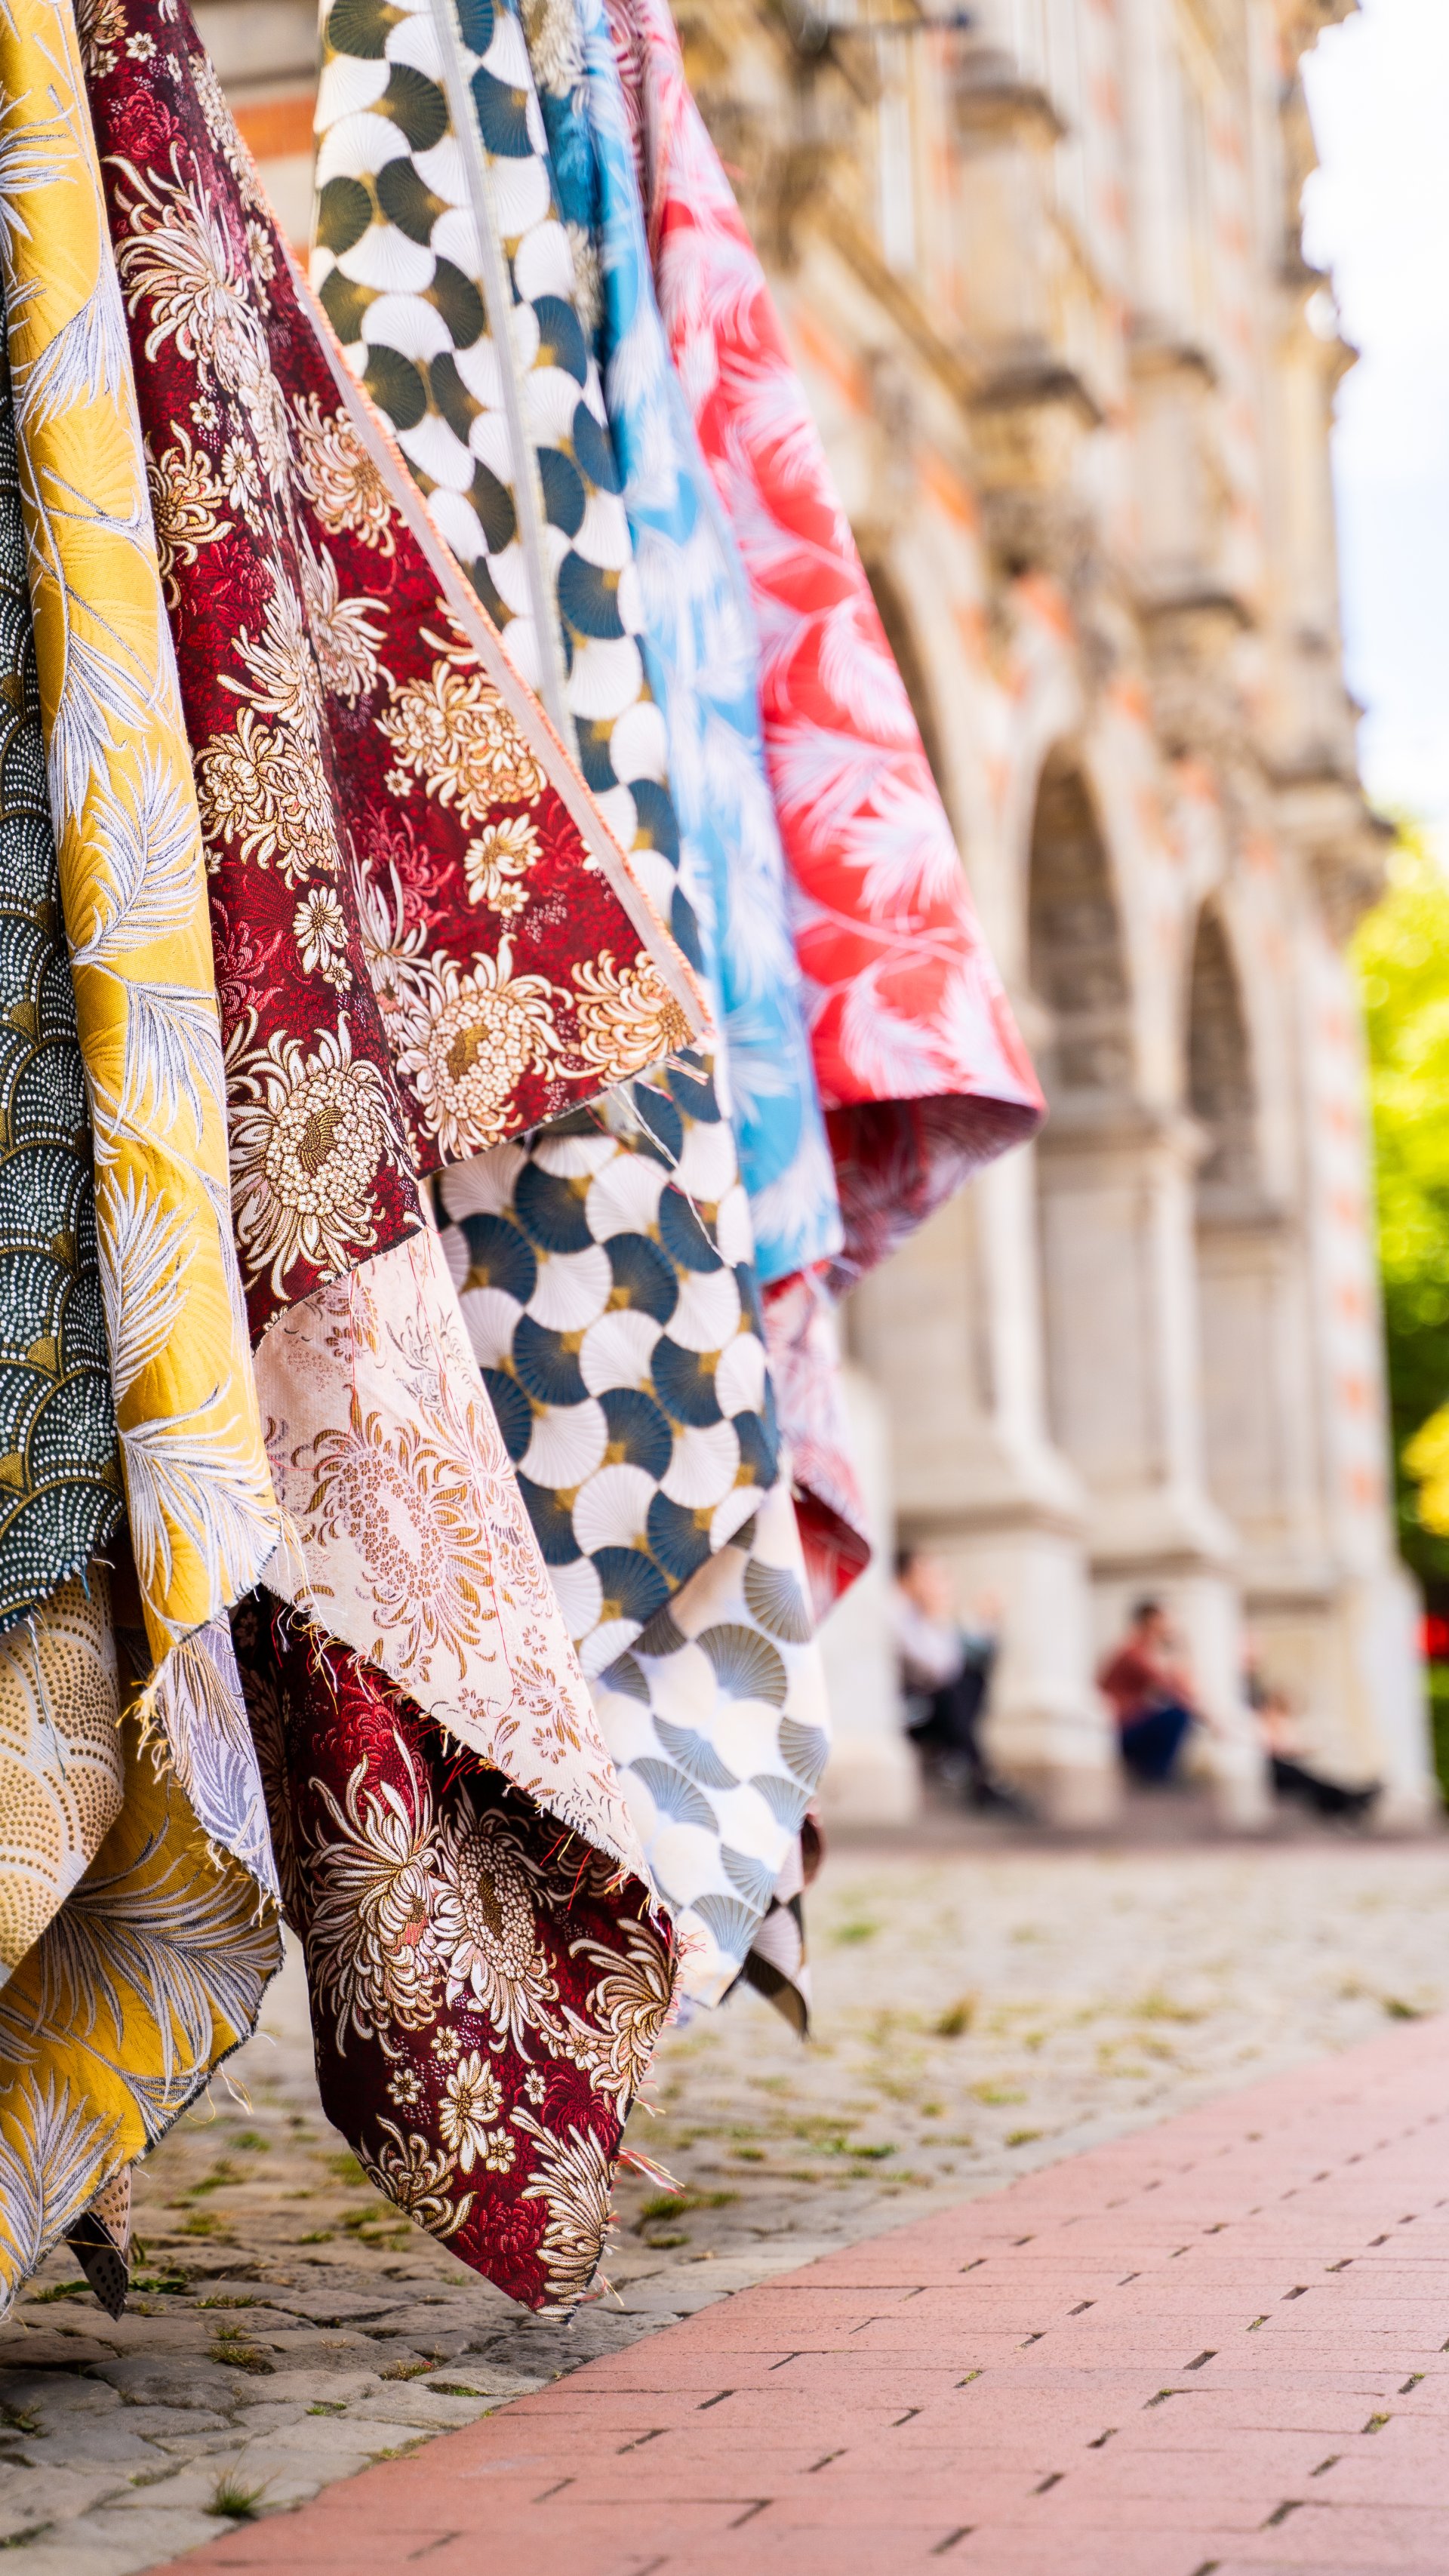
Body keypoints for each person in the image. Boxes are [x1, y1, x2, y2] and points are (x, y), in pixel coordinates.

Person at [892, 1550, 1029, 1814]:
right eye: (929, 1575)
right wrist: (938, 1616)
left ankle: (975, 1769)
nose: (936, 1583)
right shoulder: (897, 1611)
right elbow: (938, 1668)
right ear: (909, 1575)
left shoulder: (915, 1615)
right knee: (958, 1690)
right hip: (909, 1709)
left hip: (927, 1705)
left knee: (970, 1683)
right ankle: (979, 1772)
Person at [1097, 1599, 1201, 1785]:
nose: (1170, 1625)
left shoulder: (1143, 1652)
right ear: (1151, 1621)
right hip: (1121, 1729)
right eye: (1164, 1619)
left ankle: (1156, 1771)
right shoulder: (1133, 1653)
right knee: (1178, 1715)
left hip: (1129, 1724)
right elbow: (1176, 1689)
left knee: (1177, 1714)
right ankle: (1157, 1773)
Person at [1256, 1683, 1380, 1824]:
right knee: (1308, 1780)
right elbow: (1274, 1747)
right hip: (1274, 1769)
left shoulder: (1282, 1723)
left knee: (1315, 1776)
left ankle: (1347, 1801)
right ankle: (1348, 1801)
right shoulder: (1261, 1724)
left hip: (1285, 1764)